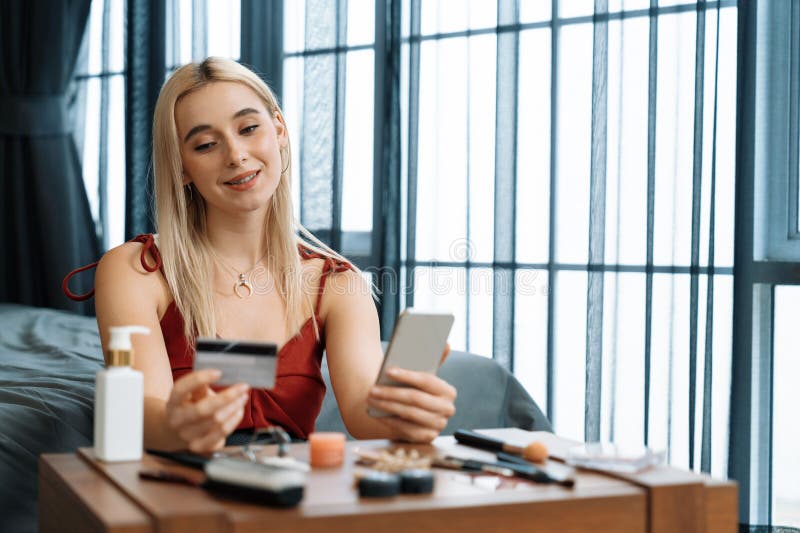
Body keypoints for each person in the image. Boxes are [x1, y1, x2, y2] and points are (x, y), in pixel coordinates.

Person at [64, 57, 456, 453]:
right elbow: (140, 415)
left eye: (249, 128)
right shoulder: (136, 270)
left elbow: (362, 413)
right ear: (182, 167)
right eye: (205, 145)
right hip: (177, 493)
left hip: (289, 499)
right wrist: (175, 424)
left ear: (279, 131)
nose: (235, 155)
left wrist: (408, 413)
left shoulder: (338, 285)